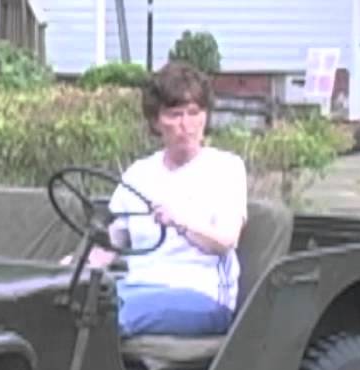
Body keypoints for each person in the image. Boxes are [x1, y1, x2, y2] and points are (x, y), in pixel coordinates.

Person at [85, 61, 248, 338]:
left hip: (201, 296)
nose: (186, 125)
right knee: (71, 309)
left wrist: (180, 223)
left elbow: (226, 241)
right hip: (136, 287)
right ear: (155, 121)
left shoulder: (226, 168)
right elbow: (111, 243)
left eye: (194, 113)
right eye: (175, 115)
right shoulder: (139, 173)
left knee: (108, 318)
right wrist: (68, 273)